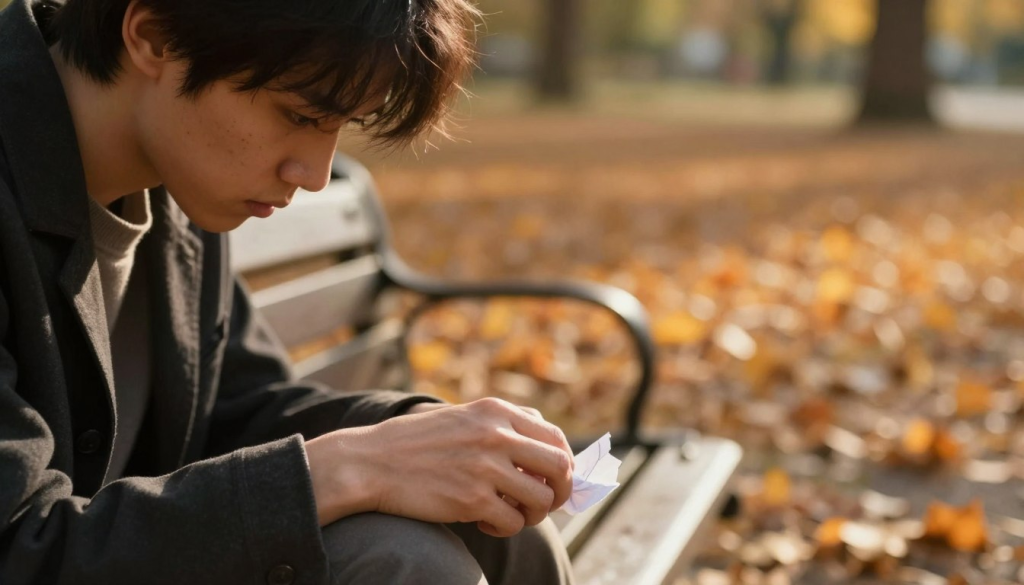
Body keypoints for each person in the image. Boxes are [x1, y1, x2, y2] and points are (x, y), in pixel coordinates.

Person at [0, 0, 576, 583]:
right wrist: (351, 467)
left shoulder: (176, 173)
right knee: (408, 563)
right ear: (153, 37)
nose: (315, 173)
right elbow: (19, 548)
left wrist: (424, 433)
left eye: (339, 124)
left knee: (500, 525)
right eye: (300, 116)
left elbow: (240, 406)